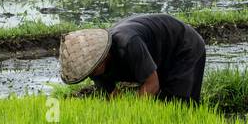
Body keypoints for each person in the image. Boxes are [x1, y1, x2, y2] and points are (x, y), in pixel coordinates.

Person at [59, 14, 207, 103]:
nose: (91, 76)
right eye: (87, 74)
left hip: (183, 46)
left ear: (103, 57)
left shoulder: (128, 43)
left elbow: (152, 84)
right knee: (161, 104)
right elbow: (114, 96)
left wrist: (134, 111)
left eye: (92, 70)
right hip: (158, 55)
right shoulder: (93, 69)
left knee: (177, 103)